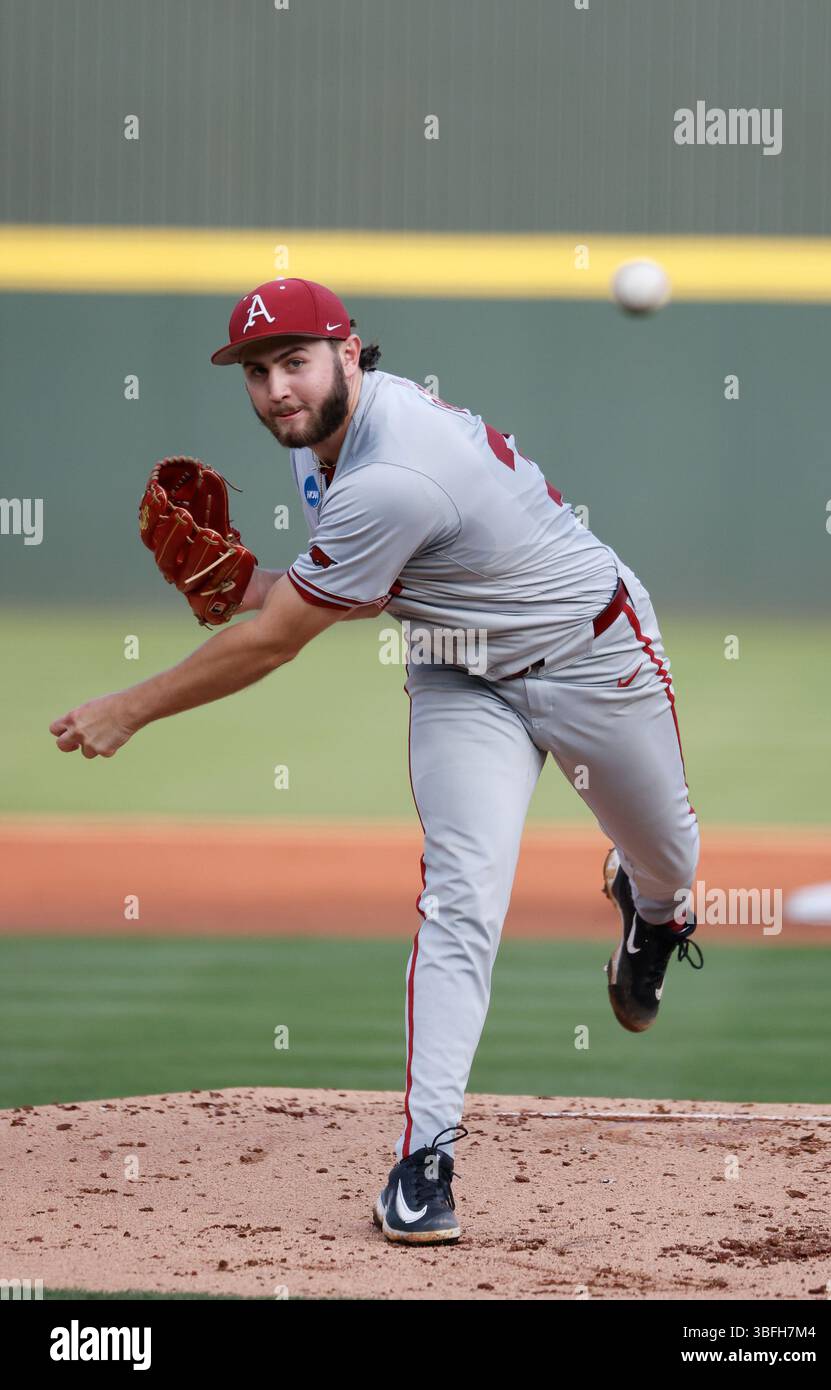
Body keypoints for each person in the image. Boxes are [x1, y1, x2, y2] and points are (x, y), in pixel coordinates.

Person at [50, 277, 703, 1246]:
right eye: (258, 370)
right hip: (455, 671)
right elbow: (367, 587)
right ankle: (425, 1156)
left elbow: (277, 642)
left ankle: (653, 908)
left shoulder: (392, 465)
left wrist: (129, 706)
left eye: (295, 361)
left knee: (669, 858)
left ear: (350, 354)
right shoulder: (326, 448)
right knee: (459, 897)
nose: (276, 387)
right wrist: (245, 581)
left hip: (588, 656)